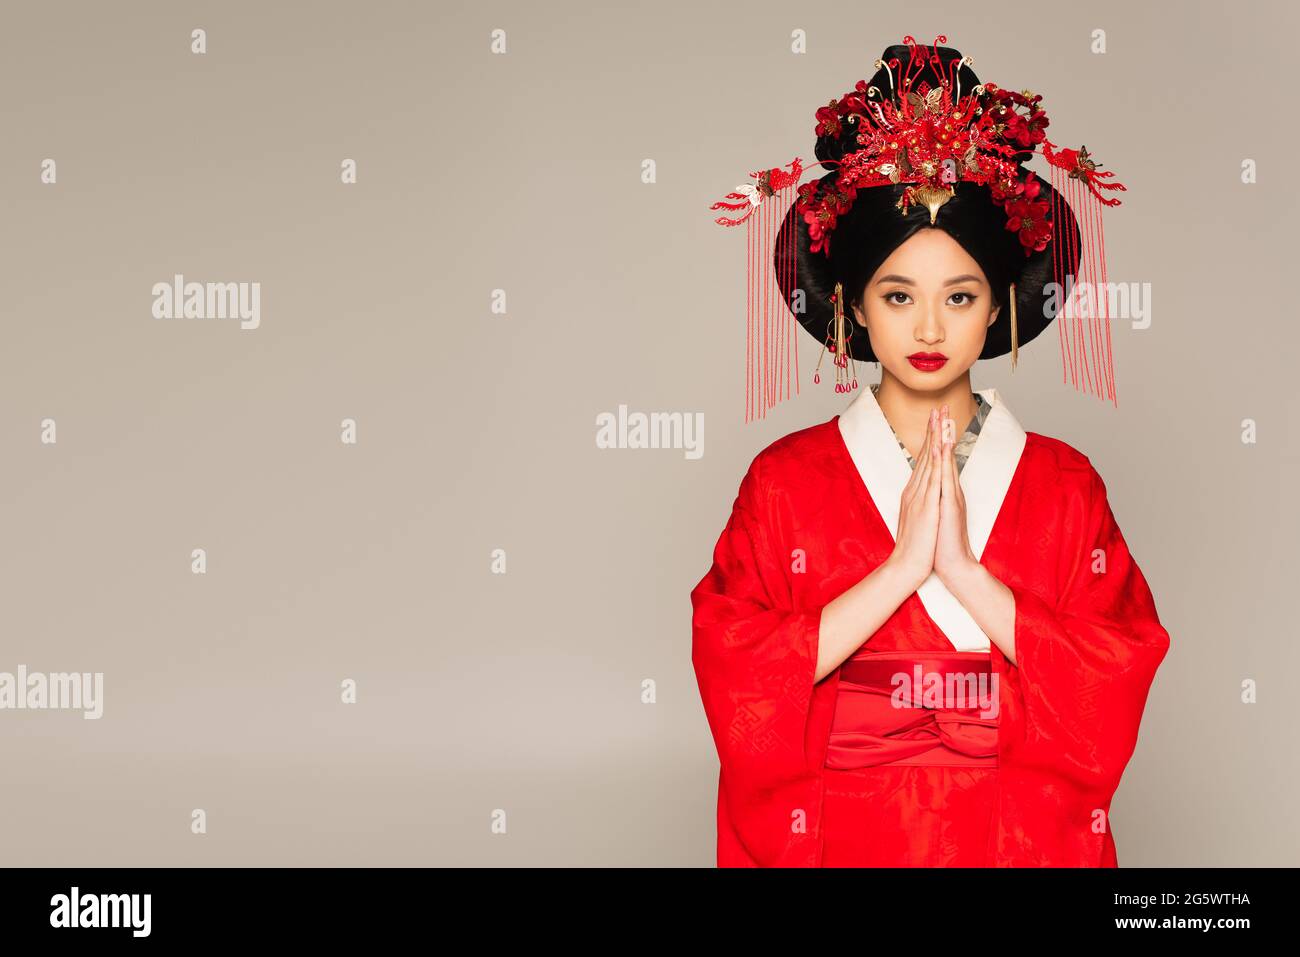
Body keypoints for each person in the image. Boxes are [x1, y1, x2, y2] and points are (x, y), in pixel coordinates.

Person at [692, 36, 1170, 867]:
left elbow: (1112, 677)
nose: (927, 328)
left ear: (997, 309)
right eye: (898, 295)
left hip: (1007, 840)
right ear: (853, 308)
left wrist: (968, 578)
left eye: (959, 296)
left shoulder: (1062, 483)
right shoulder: (783, 482)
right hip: (840, 838)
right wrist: (900, 569)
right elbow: (736, 678)